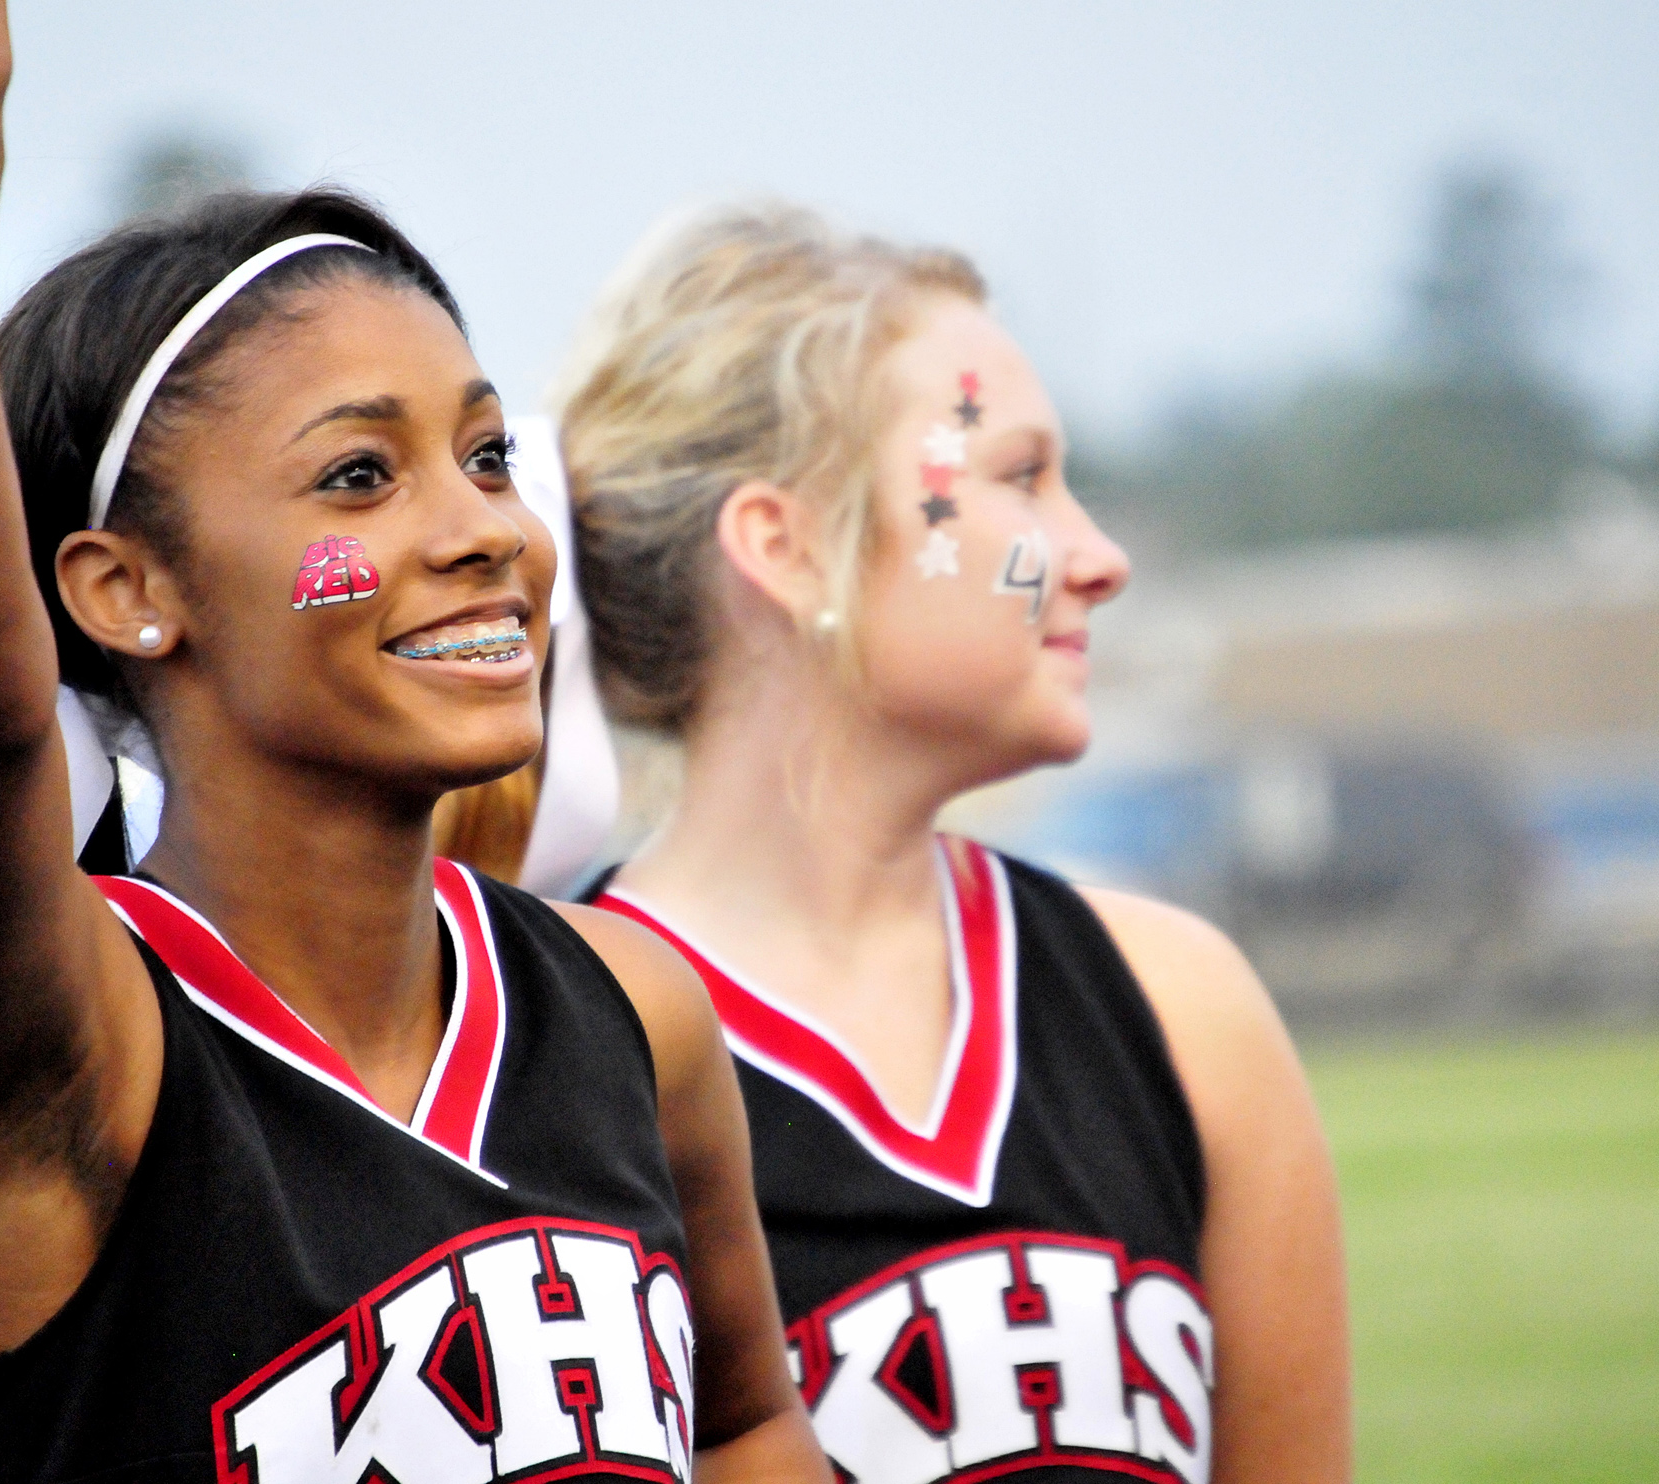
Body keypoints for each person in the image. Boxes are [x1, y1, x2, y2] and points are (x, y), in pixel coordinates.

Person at [0, 2, 829, 1480]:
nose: (485, 528)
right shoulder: (79, 1052)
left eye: (486, 454)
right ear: (126, 590)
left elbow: (745, 1420)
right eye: (359, 475)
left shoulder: (630, 1012)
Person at [553, 206, 1354, 1483]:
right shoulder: (556, 1056)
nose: (1098, 557)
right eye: (1020, 476)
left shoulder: (1180, 1008)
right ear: (784, 544)